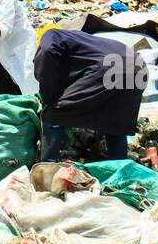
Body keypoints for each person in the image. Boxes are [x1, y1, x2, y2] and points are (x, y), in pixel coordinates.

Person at [34, 28, 145, 162]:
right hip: (138, 65)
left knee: (55, 114)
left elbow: (46, 54)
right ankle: (119, 169)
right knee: (115, 122)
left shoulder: (50, 34)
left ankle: (47, 167)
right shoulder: (79, 41)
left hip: (110, 66)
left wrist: (48, 98)